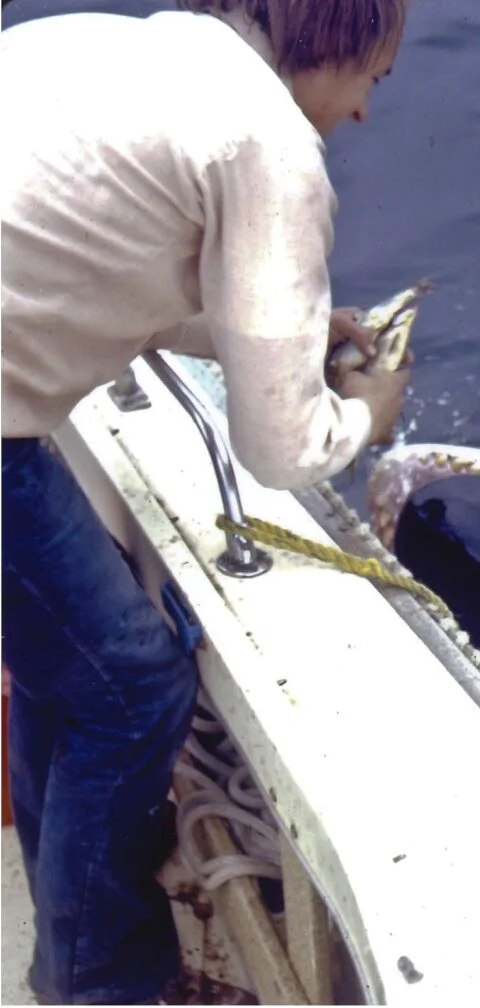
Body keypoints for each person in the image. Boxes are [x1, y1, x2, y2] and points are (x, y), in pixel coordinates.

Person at [1, 0, 410, 1002]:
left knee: (75, 673)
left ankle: (73, 957)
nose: (360, 112)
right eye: (374, 79)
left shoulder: (108, 42)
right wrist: (371, 419)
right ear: (338, 46)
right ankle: (107, 986)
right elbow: (283, 451)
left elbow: (111, 263)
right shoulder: (269, 145)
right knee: (135, 690)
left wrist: (286, 334)